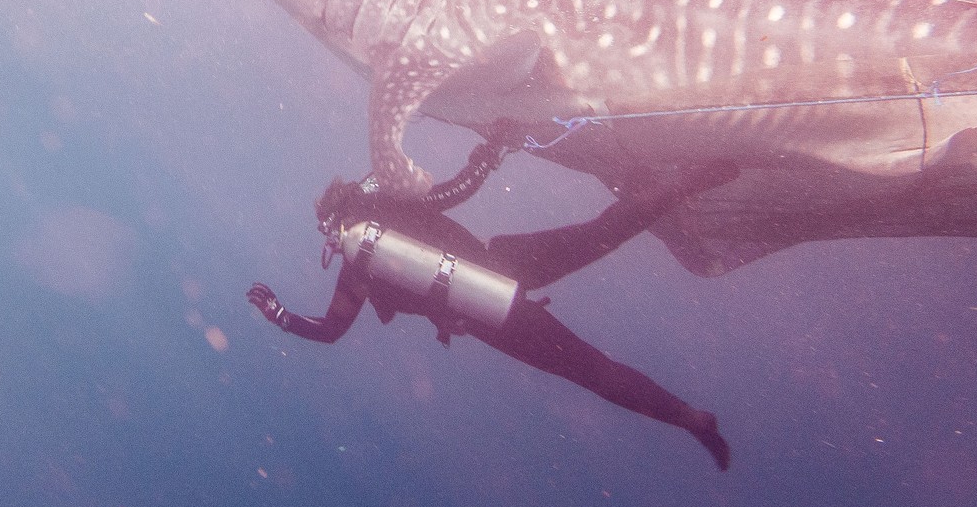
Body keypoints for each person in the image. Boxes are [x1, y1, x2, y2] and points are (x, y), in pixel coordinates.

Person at [247, 145, 736, 470]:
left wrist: (280, 315)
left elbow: (331, 330)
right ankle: (702, 175)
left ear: (332, 227)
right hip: (501, 260)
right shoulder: (392, 205)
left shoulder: (358, 267)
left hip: (488, 314)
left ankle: (689, 417)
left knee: (592, 370)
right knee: (602, 231)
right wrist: (493, 148)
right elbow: (461, 188)